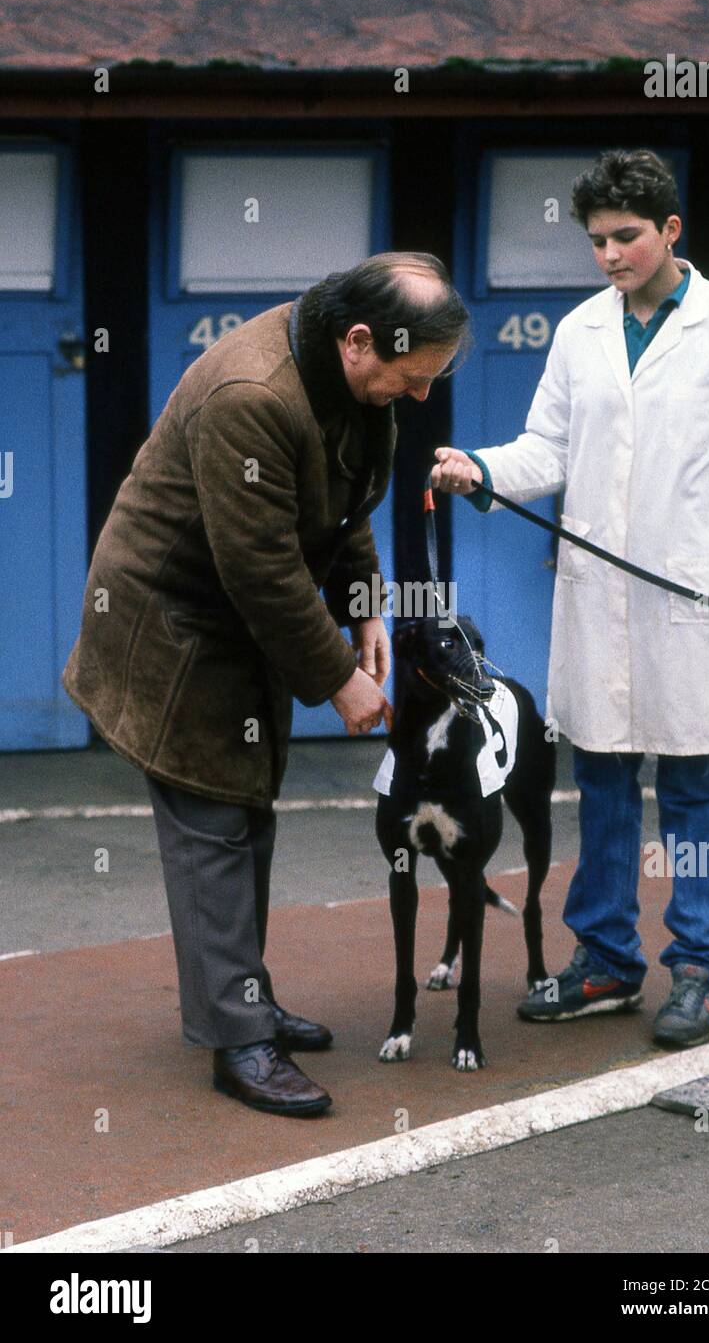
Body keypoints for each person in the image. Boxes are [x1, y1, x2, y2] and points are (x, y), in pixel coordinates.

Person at [62, 251, 468, 1115]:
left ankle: (243, 995)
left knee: (248, 806)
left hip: (242, 624)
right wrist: (338, 680)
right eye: (412, 377)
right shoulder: (254, 394)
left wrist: (363, 604)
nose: (422, 395)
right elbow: (261, 566)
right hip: (174, 626)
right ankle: (237, 1042)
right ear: (360, 340)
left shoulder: (357, 380)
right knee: (212, 820)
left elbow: (349, 503)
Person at [432, 149, 709, 1048]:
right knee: (600, 777)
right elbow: (547, 450)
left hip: (700, 597)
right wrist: (479, 468)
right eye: (597, 241)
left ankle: (701, 971)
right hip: (603, 601)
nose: (610, 255)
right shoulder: (581, 333)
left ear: (672, 230)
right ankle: (603, 961)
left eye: (627, 237)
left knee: (693, 790)